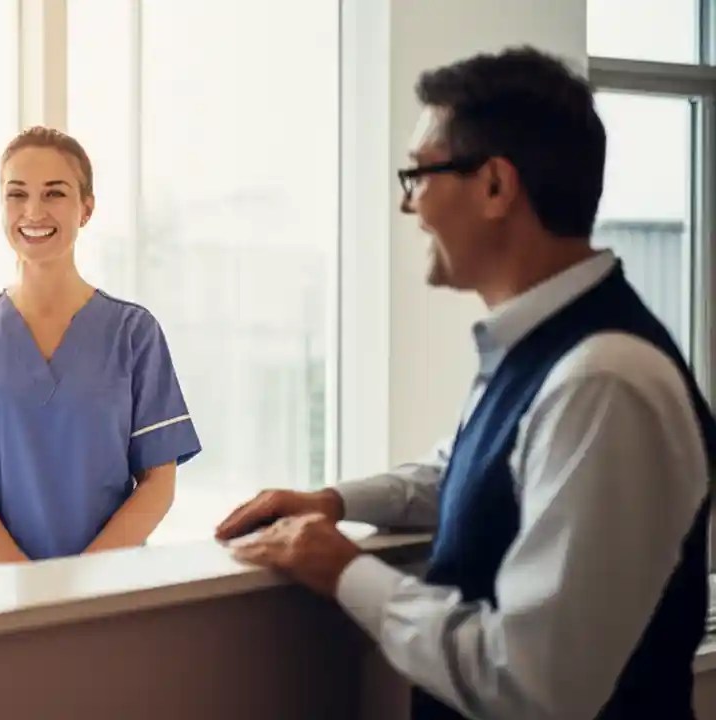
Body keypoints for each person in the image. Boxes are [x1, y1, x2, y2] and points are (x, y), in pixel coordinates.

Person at [216, 47, 712, 719]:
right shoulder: (546, 350)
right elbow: (472, 476)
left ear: (495, 187)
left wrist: (345, 571)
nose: (406, 203)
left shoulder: (604, 380)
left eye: (417, 175)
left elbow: (535, 685)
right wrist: (333, 500)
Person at [0, 126, 201, 568]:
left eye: (55, 194)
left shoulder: (134, 334)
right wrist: (27, 588)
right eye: (16, 194)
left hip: (104, 593)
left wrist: (80, 586)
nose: (34, 211)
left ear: (86, 209)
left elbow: (159, 483)